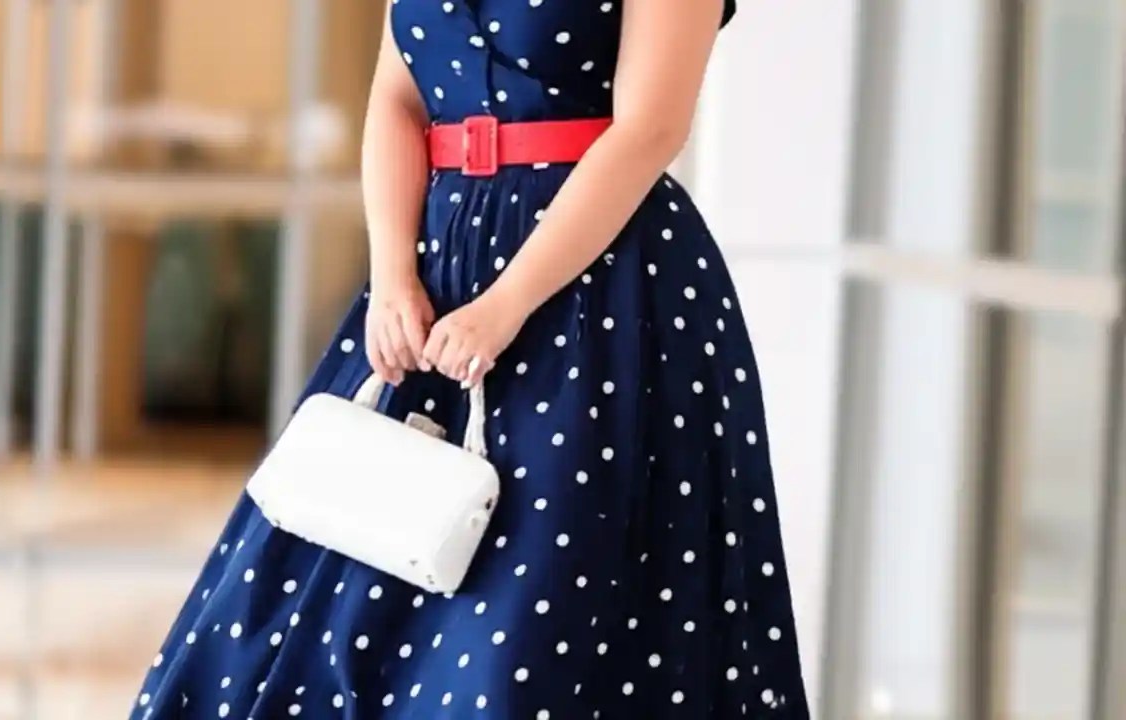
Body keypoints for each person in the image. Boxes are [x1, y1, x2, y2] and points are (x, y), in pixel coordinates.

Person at [129, 0, 810, 717]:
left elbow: (649, 130)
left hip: (600, 295)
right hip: (437, 274)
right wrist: (392, 276)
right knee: (341, 589)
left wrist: (507, 302)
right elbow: (396, 98)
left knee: (532, 615)